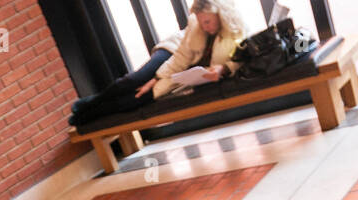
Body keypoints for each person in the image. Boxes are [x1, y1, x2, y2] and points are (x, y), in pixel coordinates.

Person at [68, 0, 247, 129]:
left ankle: (87, 116)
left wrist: (223, 69)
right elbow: (181, 57)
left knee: (134, 100)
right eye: (201, 23)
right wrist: (155, 78)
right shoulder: (197, 26)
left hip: (184, 71)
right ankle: (88, 103)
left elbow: (239, 59)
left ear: (219, 13)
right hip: (173, 51)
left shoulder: (236, 31)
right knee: (136, 80)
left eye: (207, 22)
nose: (205, 27)